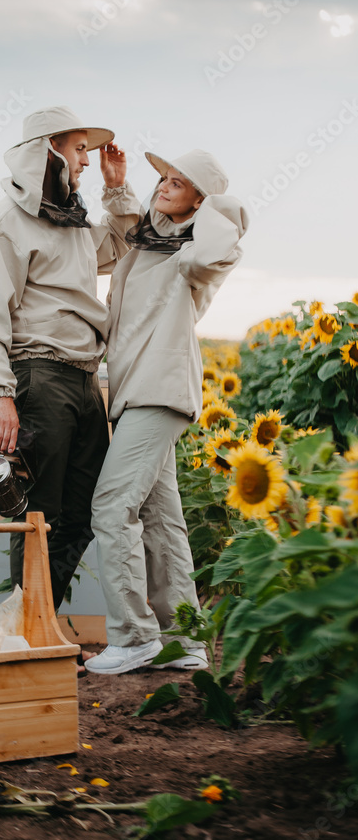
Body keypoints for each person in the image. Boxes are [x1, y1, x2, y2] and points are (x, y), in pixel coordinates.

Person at [0, 105, 139, 609]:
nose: (87, 159)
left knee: (83, 517)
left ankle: (36, 624)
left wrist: (117, 187)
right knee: (36, 518)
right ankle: (26, 638)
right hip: (38, 378)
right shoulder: (4, 221)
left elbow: (123, 244)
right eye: (80, 148)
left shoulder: (74, 220)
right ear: (48, 150)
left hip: (84, 382)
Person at [85, 149, 248, 675]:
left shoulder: (197, 252)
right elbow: (128, 226)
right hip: (134, 391)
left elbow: (211, 250)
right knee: (162, 519)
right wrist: (116, 186)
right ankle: (186, 640)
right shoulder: (151, 240)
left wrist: (217, 209)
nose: (165, 186)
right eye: (165, 178)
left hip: (160, 391)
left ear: (200, 201)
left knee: (112, 507)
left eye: (180, 183)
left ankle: (133, 636)